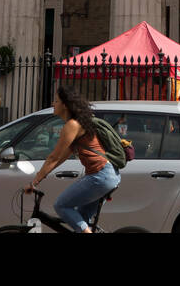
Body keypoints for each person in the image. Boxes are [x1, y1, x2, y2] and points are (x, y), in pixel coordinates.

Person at [25, 84, 120, 233]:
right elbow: (61, 158)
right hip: (107, 175)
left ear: (65, 105)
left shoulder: (72, 125)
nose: (53, 104)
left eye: (56, 101)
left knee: (61, 206)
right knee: (79, 221)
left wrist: (34, 181)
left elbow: (53, 157)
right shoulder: (76, 125)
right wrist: (40, 178)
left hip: (100, 176)